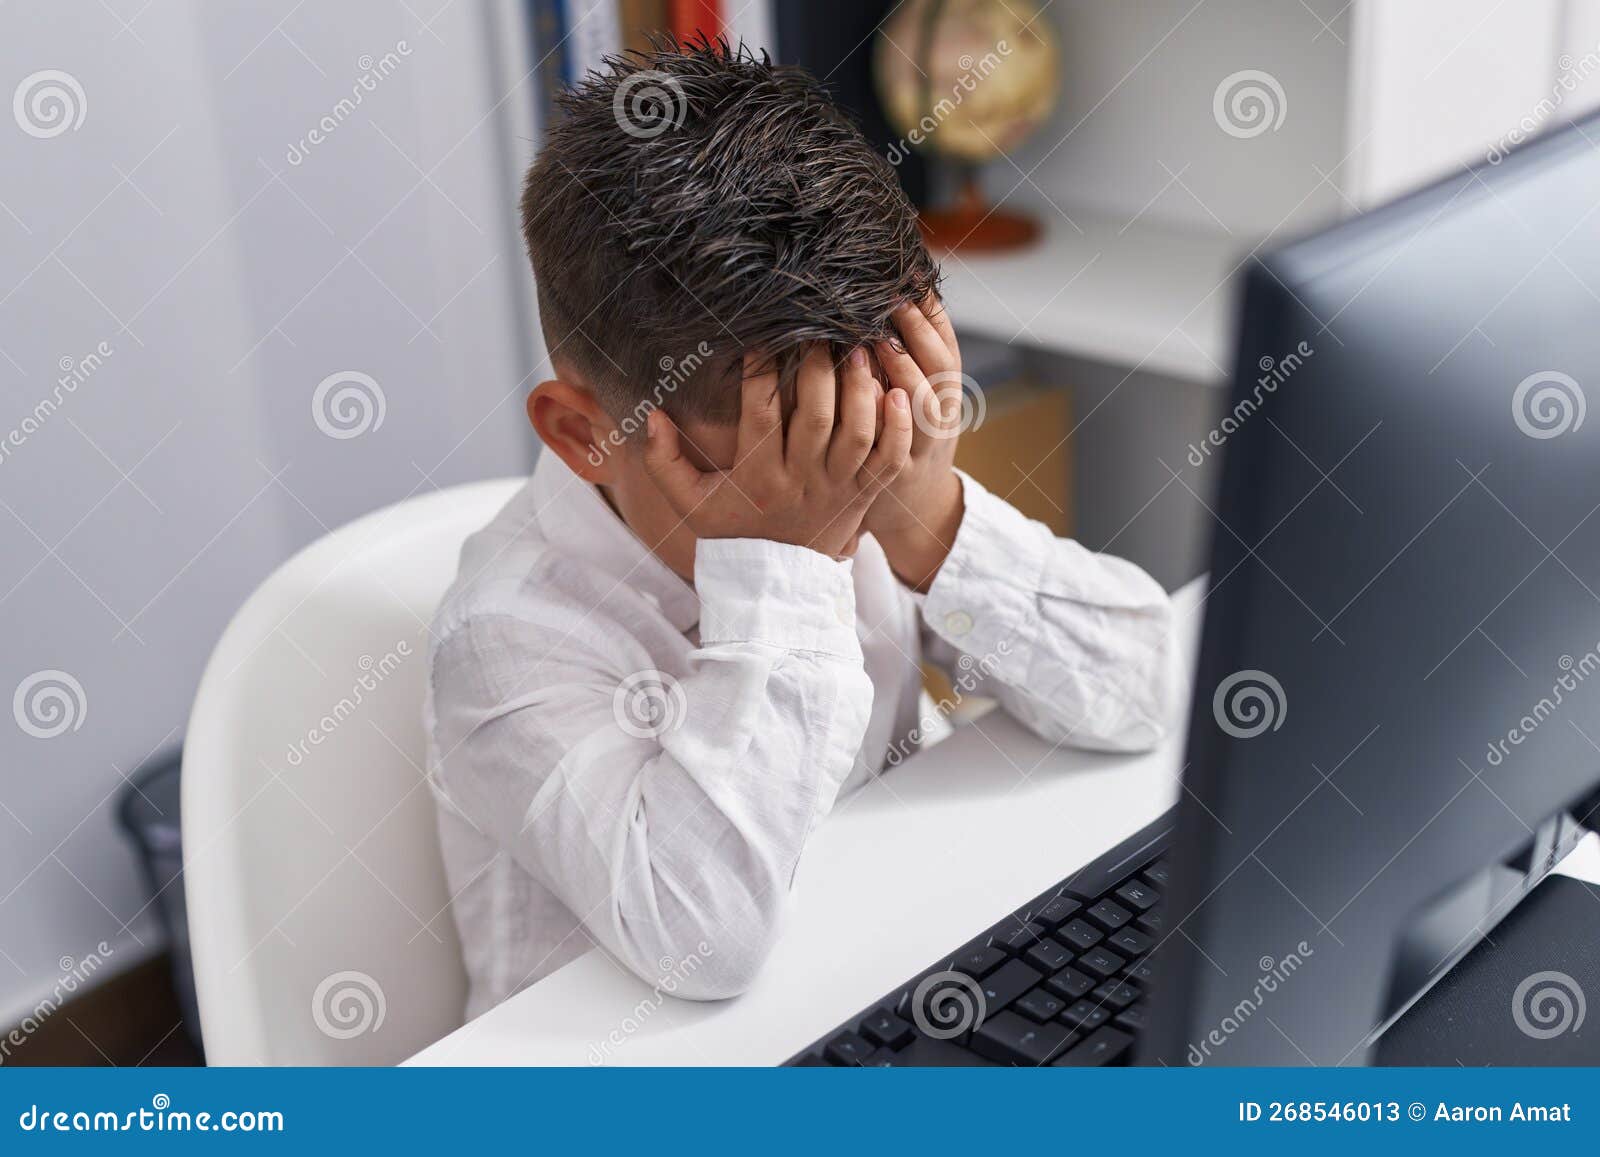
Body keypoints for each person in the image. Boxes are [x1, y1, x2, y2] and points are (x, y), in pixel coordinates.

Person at [424, 39, 1172, 1019]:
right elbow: (706, 938)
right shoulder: (506, 638)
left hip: (875, 979)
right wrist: (783, 563)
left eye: (864, 434)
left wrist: (929, 522)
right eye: (777, 466)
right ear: (585, 433)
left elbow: (1143, 691)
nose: (843, 488)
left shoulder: (875, 491)